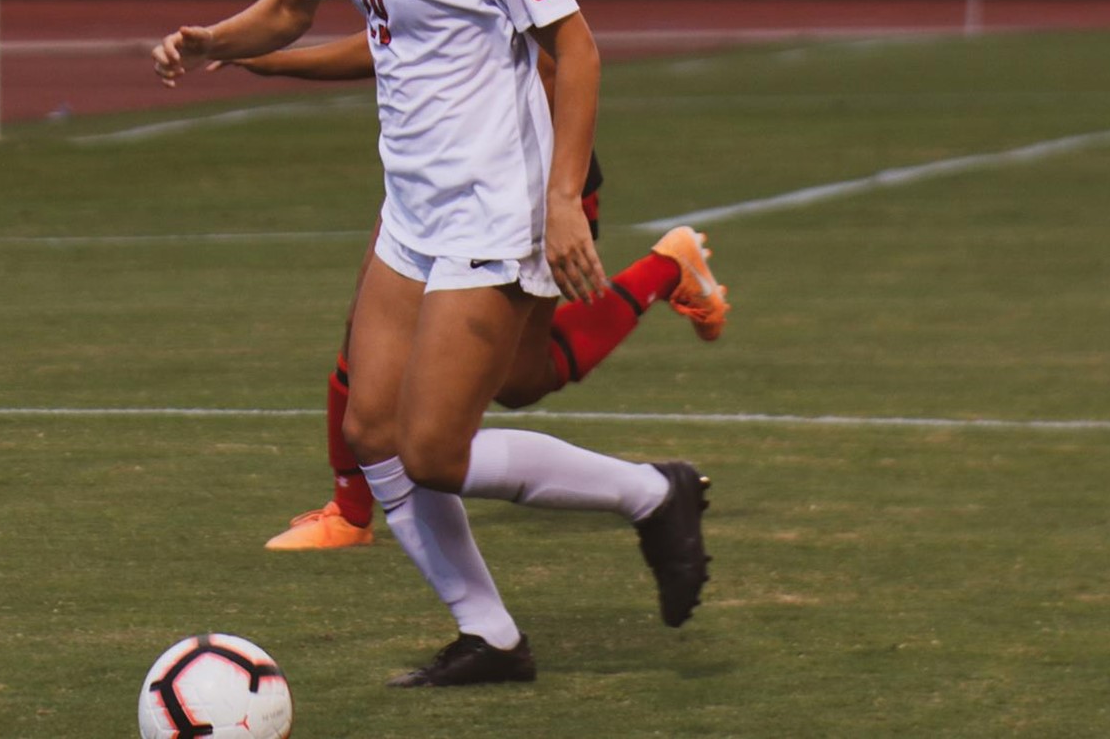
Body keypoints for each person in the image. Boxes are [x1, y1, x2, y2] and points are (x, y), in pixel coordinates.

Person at [152, 0, 729, 687]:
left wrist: (560, 204)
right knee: (371, 431)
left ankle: (653, 493)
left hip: (494, 204)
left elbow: (576, 46)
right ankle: (493, 640)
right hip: (411, 203)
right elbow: (295, 7)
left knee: (431, 451)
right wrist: (218, 44)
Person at [216, 34, 730, 552]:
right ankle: (349, 512)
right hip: (431, 181)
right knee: (367, 330)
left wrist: (559, 194)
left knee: (520, 380)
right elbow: (388, 40)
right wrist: (268, 54)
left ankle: (666, 270)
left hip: (516, 190)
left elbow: (562, 58)